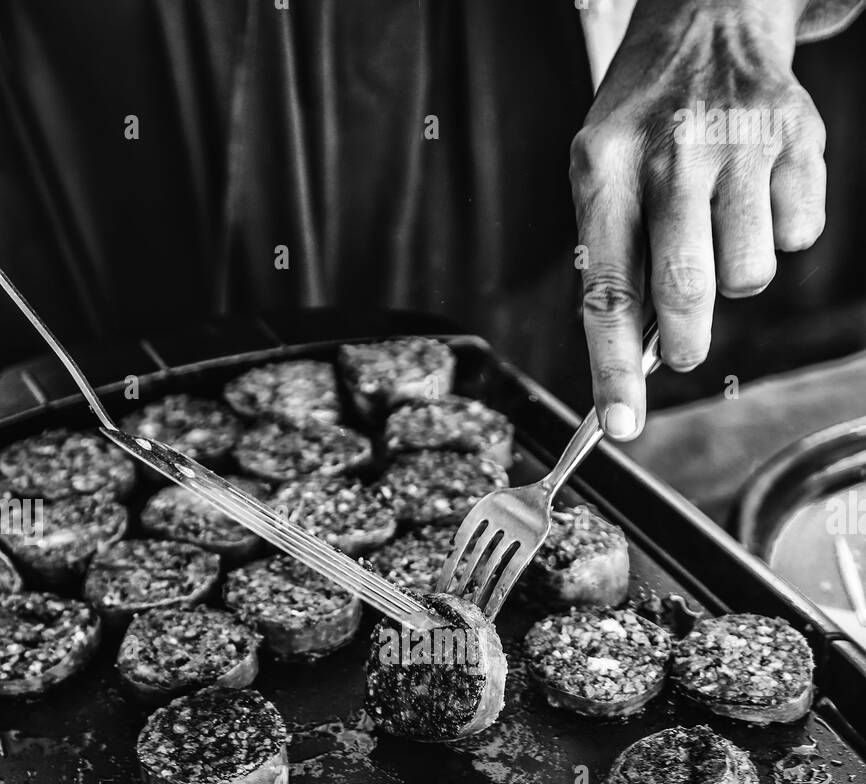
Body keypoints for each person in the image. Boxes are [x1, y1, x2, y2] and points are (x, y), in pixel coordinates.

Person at [0, 0, 862, 436]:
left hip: (449, 49)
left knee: (474, 411)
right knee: (91, 404)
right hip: (84, 61)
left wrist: (725, 9)